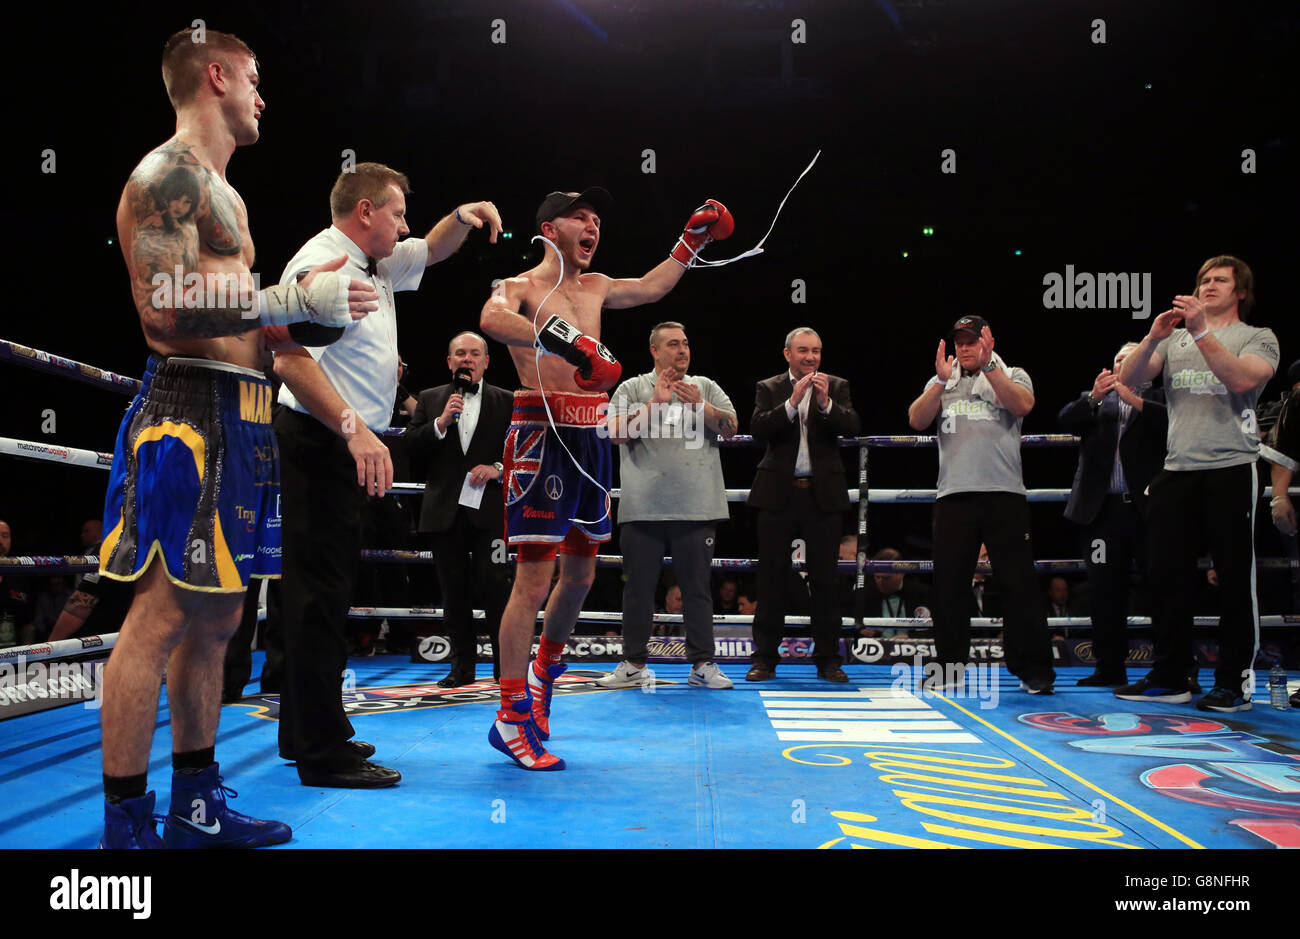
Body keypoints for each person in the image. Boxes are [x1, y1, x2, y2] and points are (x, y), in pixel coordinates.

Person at [98, 27, 377, 849]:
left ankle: (195, 801)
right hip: (185, 413)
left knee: (219, 620)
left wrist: (307, 319)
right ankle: (124, 821)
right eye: (253, 78)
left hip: (245, 413)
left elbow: (247, 328)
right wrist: (283, 296)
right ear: (215, 76)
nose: (263, 95)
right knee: (158, 613)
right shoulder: (167, 176)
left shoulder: (227, 192)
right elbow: (163, 314)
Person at [480, 188, 733, 770]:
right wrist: (568, 340)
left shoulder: (595, 287)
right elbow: (491, 318)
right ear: (550, 229)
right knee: (532, 580)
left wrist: (690, 241)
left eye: (597, 219)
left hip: (590, 436)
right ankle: (509, 713)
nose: (593, 226)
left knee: (582, 573)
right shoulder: (522, 287)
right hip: (540, 431)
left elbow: (652, 286)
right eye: (580, 217)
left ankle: (544, 672)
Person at [272, 161, 502, 787]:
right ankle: (323, 751)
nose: (405, 225)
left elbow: (432, 247)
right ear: (365, 210)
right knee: (321, 593)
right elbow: (289, 360)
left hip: (336, 440)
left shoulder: (376, 261)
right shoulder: (322, 266)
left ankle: (303, 731)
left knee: (320, 588)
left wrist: (464, 215)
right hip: (323, 440)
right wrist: (355, 430)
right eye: (397, 212)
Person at [1114, 255, 1279, 712]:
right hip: (1177, 468)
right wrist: (1153, 337)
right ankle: (1172, 675)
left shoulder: (1257, 337)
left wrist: (1202, 331)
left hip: (1231, 465)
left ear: (1240, 291)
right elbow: (1127, 380)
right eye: (1204, 279)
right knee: (1165, 576)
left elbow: (1241, 378)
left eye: (1220, 280)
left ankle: (1233, 683)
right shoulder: (1177, 340)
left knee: (1232, 579)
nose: (1209, 286)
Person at [907, 315, 1056, 693]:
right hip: (954, 495)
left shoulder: (1013, 373)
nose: (965, 347)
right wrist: (940, 382)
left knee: (1018, 584)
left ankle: (1034, 669)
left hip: (1004, 494)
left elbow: (1022, 405)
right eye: (960, 342)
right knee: (949, 585)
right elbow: (917, 419)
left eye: (972, 341)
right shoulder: (943, 379)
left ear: (987, 341)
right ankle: (949, 668)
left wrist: (991, 368)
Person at [599, 321, 738, 690]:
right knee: (638, 589)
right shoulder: (631, 388)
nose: (682, 350)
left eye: (686, 344)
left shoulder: (704, 386)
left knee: (697, 590)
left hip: (697, 509)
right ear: (654, 350)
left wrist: (703, 406)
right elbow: (613, 433)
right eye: (673, 344)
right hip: (643, 509)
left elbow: (731, 428)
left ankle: (702, 664)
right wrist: (655, 404)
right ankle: (633, 663)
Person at [746, 327, 861, 683]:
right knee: (771, 579)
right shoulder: (770, 387)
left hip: (821, 495)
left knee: (826, 580)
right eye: (803, 350)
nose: (810, 357)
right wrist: (792, 404)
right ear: (787, 354)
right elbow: (758, 429)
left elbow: (853, 426)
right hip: (778, 495)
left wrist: (826, 404)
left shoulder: (836, 386)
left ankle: (828, 659)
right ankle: (764, 658)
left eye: (815, 351)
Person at [407, 330, 514, 685]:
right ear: (450, 362)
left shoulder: (508, 400)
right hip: (444, 511)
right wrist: (439, 424)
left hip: (491, 511)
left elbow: (523, 450)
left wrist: (497, 469)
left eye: (473, 353)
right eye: (460, 354)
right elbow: (411, 449)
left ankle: (505, 668)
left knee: (497, 588)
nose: (466, 359)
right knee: (453, 593)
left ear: (486, 361)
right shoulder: (431, 398)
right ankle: (462, 667)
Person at [1059, 344, 1167, 685]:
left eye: (1131, 358)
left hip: (1150, 511)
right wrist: (1093, 396)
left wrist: (1132, 398)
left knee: (1162, 587)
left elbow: (1171, 425)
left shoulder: (1163, 398)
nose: (1123, 362)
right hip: (1102, 513)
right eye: (1119, 358)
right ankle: (1109, 668)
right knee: (1104, 590)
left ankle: (1174, 669)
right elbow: (1065, 419)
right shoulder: (1094, 400)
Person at [855, 546, 931, 639]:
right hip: (875, 649)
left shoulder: (921, 593)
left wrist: (910, 637)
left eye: (886, 578)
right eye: (877, 577)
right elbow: (849, 627)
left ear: (901, 573)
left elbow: (935, 630)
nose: (880, 582)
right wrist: (862, 631)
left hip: (915, 649)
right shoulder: (864, 594)